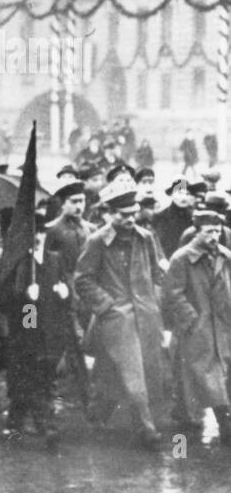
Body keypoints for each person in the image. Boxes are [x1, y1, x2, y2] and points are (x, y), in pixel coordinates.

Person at [75, 176, 167, 449]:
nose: (131, 218)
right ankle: (146, 430)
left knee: (118, 370)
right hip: (117, 319)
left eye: (133, 213)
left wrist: (155, 301)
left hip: (146, 316)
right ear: (110, 214)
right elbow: (82, 280)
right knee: (133, 372)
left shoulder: (146, 238)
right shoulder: (96, 242)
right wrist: (107, 307)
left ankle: (98, 411)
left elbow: (157, 273)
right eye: (124, 215)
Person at [0, 211, 75, 446]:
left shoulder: (54, 259)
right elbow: (2, 298)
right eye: (33, 232)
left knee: (43, 377)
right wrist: (24, 296)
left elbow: (65, 290)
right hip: (26, 331)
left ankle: (26, 424)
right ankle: (40, 425)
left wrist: (65, 293)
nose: (38, 237)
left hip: (49, 330)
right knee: (26, 380)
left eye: (41, 232)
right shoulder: (19, 263)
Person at [161, 210, 231, 444]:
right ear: (196, 232)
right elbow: (173, 293)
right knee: (201, 378)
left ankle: (196, 421)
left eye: (218, 231)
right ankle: (215, 426)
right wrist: (190, 319)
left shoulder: (224, 255)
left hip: (221, 327)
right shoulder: (181, 258)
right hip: (197, 329)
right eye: (209, 231)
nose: (214, 236)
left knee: (217, 375)